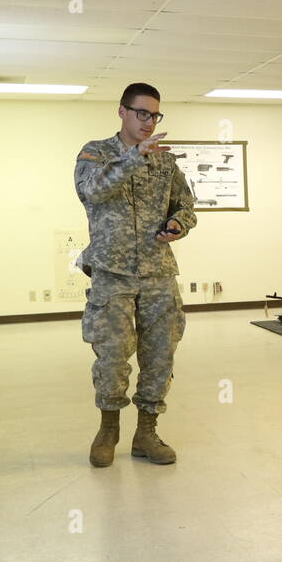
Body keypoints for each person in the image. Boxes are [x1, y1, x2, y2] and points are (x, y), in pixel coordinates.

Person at [74, 83, 197, 467]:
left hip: (158, 272)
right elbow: (92, 192)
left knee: (160, 354)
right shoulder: (96, 153)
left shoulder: (165, 161)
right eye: (141, 113)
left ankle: (146, 432)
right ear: (122, 112)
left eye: (154, 115)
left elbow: (186, 206)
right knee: (112, 356)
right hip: (112, 274)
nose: (148, 122)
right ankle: (108, 429)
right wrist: (132, 158)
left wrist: (178, 224)